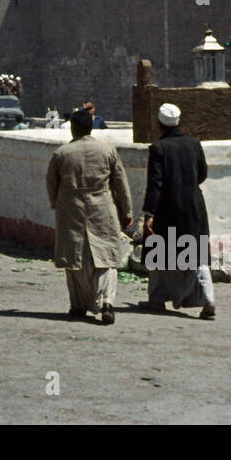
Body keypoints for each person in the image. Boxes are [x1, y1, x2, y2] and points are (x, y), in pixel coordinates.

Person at [45, 108, 133, 324]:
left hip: (71, 209)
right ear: (91, 127)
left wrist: (57, 204)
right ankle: (107, 303)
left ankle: (78, 304)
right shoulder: (107, 150)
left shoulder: (62, 153)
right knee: (107, 257)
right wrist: (127, 212)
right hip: (102, 208)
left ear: (73, 128)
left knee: (74, 257)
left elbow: (51, 184)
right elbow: (120, 184)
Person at [141, 103, 215, 320]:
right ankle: (209, 300)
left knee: (158, 254)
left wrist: (149, 214)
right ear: (179, 121)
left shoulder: (158, 149)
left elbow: (155, 184)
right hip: (193, 207)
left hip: (167, 208)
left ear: (159, 123)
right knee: (198, 255)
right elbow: (202, 174)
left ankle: (156, 298)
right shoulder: (194, 144)